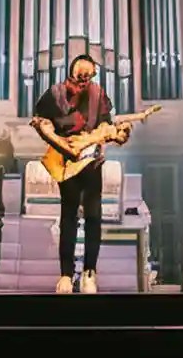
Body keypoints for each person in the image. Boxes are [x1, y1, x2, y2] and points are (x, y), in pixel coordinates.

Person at [30, 55, 131, 294]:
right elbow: (41, 121)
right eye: (80, 77)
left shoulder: (98, 94)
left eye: (89, 77)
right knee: (69, 217)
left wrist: (113, 133)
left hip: (92, 162)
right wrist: (58, 140)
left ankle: (89, 272)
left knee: (93, 216)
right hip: (66, 163)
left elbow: (106, 123)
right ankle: (66, 274)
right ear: (72, 75)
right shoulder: (54, 94)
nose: (84, 82)